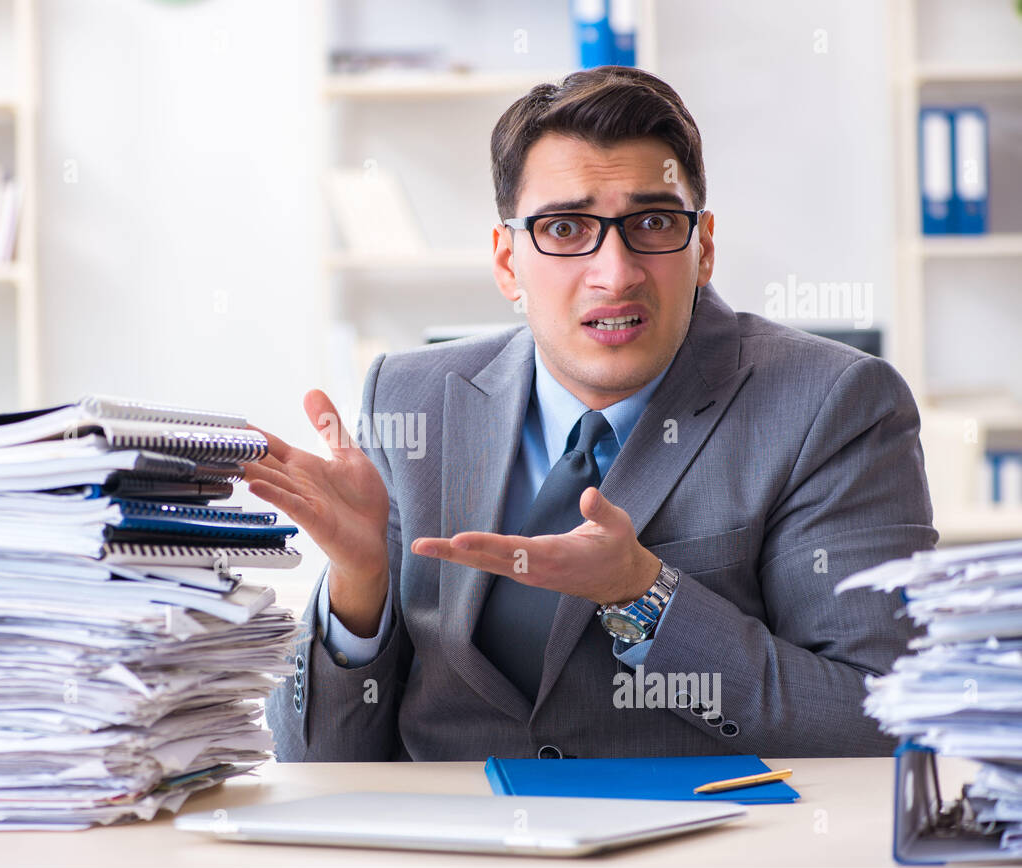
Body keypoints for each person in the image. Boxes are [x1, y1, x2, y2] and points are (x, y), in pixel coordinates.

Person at [248, 66, 937, 761]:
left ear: (704, 249)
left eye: (654, 222)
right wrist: (357, 587)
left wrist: (643, 595)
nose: (616, 272)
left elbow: (878, 722)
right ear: (507, 262)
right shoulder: (409, 400)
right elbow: (316, 762)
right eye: (567, 227)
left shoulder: (834, 404)